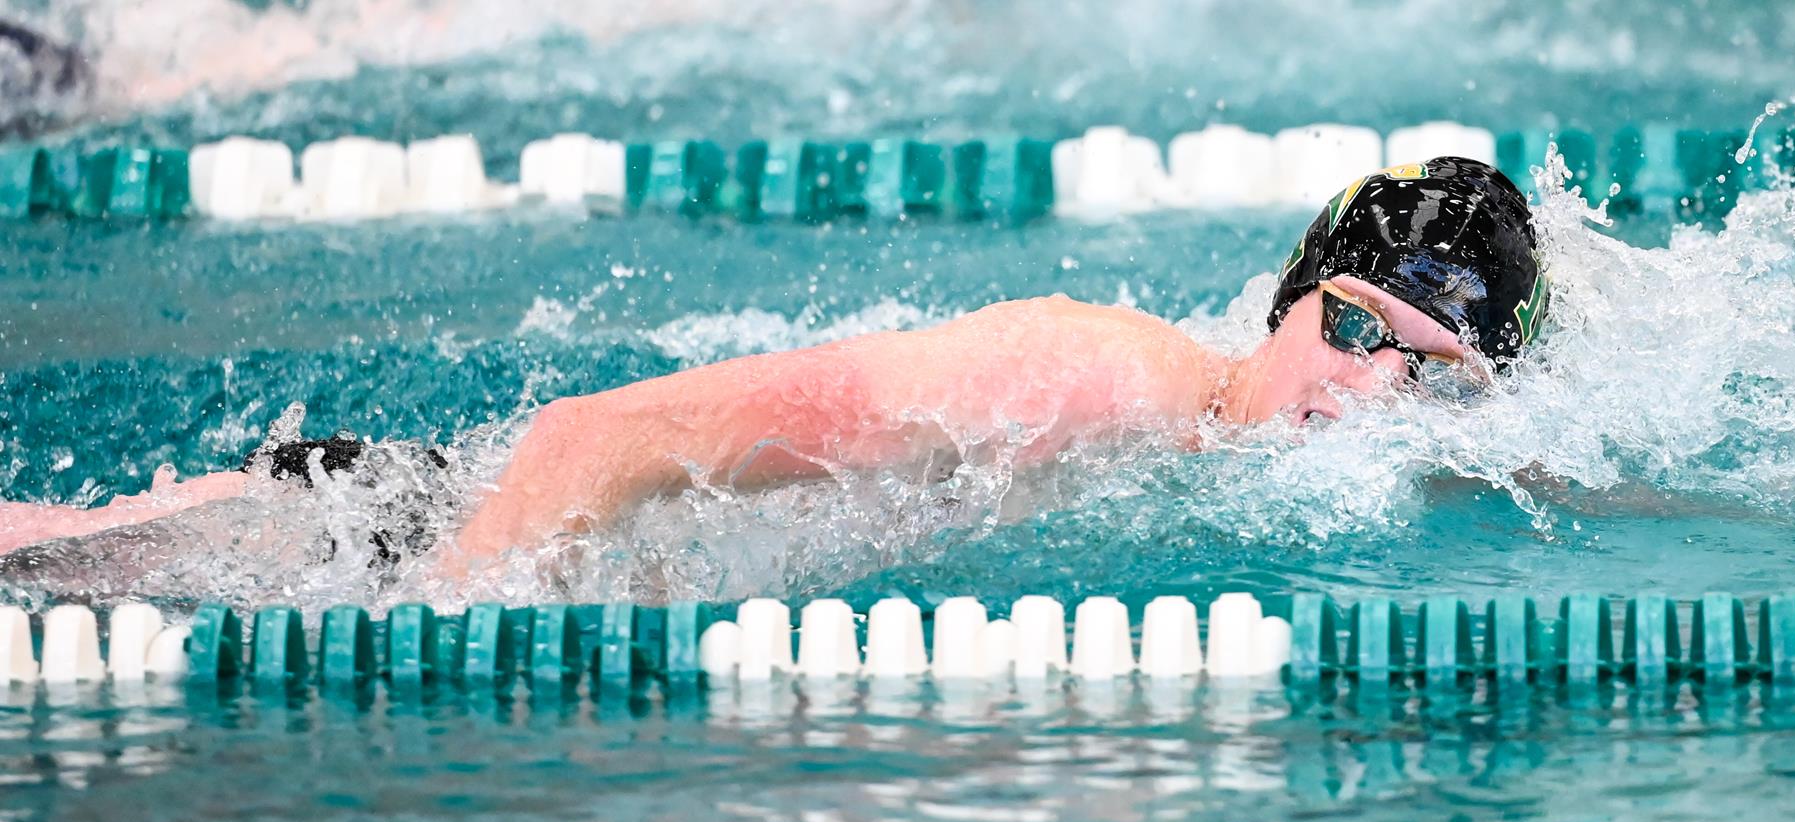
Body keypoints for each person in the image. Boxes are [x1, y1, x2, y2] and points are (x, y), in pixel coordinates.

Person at [0, 155, 1550, 568]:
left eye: (1423, 369)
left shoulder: (1221, 472)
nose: (1362, 387)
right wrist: (431, 653)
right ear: (1285, 299)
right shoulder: (1092, 381)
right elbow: (580, 447)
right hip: (387, 541)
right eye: (1350, 325)